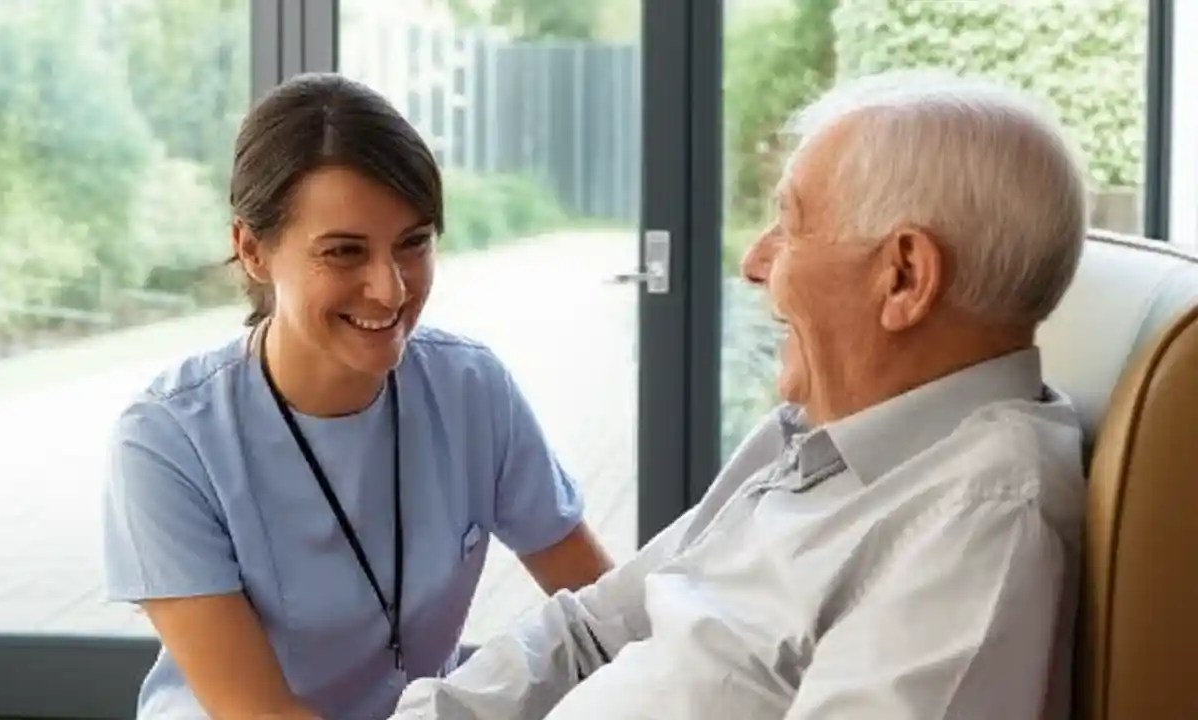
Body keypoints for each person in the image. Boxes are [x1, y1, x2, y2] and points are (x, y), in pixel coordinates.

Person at [391, 70, 1089, 719]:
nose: (755, 264)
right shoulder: (809, 438)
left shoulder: (979, 521)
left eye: (790, 226)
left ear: (903, 277)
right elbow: (594, 629)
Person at [102, 72, 614, 720]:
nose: (391, 290)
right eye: (344, 253)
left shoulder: (471, 390)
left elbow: (603, 608)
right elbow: (260, 713)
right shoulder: (166, 441)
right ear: (252, 250)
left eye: (413, 244)